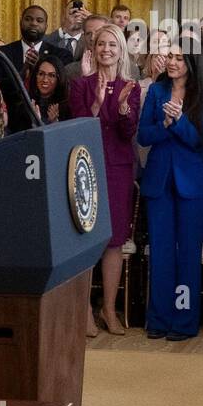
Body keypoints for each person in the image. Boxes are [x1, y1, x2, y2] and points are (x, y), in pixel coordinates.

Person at [138, 47, 203, 341]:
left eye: (179, 58)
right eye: (169, 56)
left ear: (191, 62)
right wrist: (166, 125)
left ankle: (184, 320)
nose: (171, 62)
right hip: (159, 179)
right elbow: (144, 135)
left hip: (192, 183)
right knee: (159, 252)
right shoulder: (157, 90)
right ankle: (158, 319)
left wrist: (180, 121)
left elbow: (201, 140)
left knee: (187, 253)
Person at [70, 25, 140, 336]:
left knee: (114, 241)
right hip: (86, 168)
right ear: (93, 48)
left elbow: (128, 133)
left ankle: (109, 309)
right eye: (101, 43)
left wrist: (123, 108)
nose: (106, 49)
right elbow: (78, 127)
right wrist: (97, 102)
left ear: (121, 50)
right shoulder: (80, 85)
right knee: (86, 240)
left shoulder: (131, 87)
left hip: (118, 169)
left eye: (112, 44)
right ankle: (83, 309)